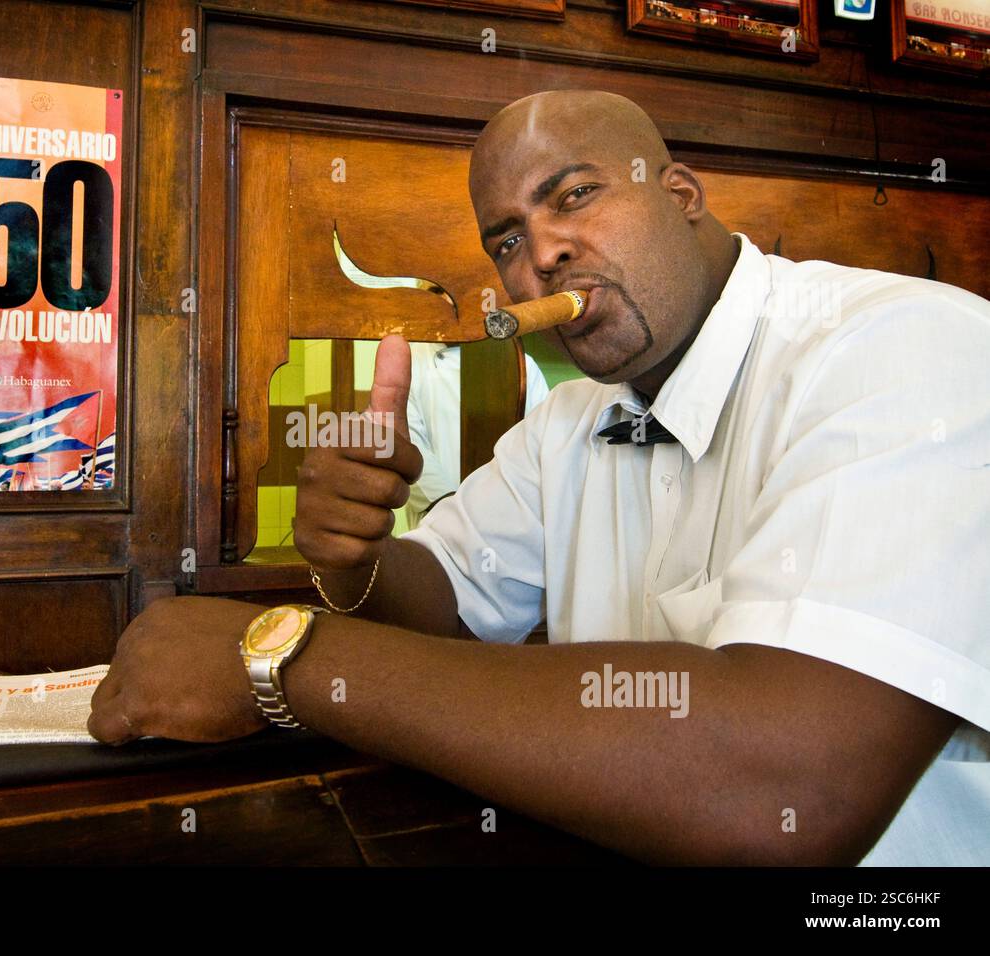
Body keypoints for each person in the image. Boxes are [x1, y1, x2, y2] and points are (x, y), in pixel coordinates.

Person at [88, 91, 990, 865]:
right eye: (507, 240)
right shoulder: (567, 422)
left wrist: (278, 654)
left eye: (575, 196)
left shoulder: (905, 349)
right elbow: (440, 601)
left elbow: (789, 787)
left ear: (678, 195)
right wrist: (352, 555)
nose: (542, 256)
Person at [404, 343, 549, 529]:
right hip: (436, 523)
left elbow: (541, 450)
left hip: (509, 524)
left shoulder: (522, 365)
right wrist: (455, 516)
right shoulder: (409, 358)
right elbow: (408, 445)